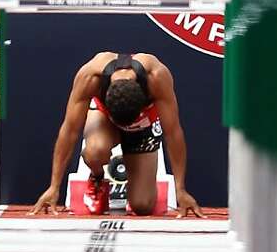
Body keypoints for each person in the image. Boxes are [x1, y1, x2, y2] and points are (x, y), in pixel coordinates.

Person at [31, 52, 204, 218]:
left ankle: (139, 182)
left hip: (143, 124)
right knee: (95, 150)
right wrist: (54, 187)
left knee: (142, 205)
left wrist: (180, 189)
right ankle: (97, 178)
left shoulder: (156, 77)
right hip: (105, 119)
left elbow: (173, 133)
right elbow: (69, 130)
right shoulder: (91, 77)